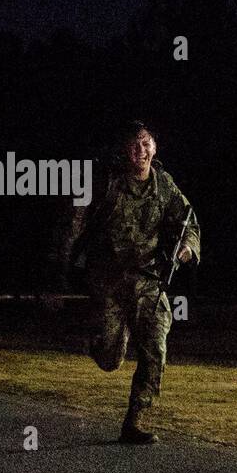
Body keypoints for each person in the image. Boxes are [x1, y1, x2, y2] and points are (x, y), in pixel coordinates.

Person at [61, 121, 201, 443]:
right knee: (110, 360)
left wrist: (187, 247)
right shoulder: (108, 183)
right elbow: (75, 222)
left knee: (155, 350)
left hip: (148, 281)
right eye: (134, 144)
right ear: (125, 150)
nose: (140, 150)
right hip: (107, 281)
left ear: (155, 148)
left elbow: (188, 221)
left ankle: (134, 422)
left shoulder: (164, 185)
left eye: (145, 143)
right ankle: (99, 344)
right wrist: (62, 266)